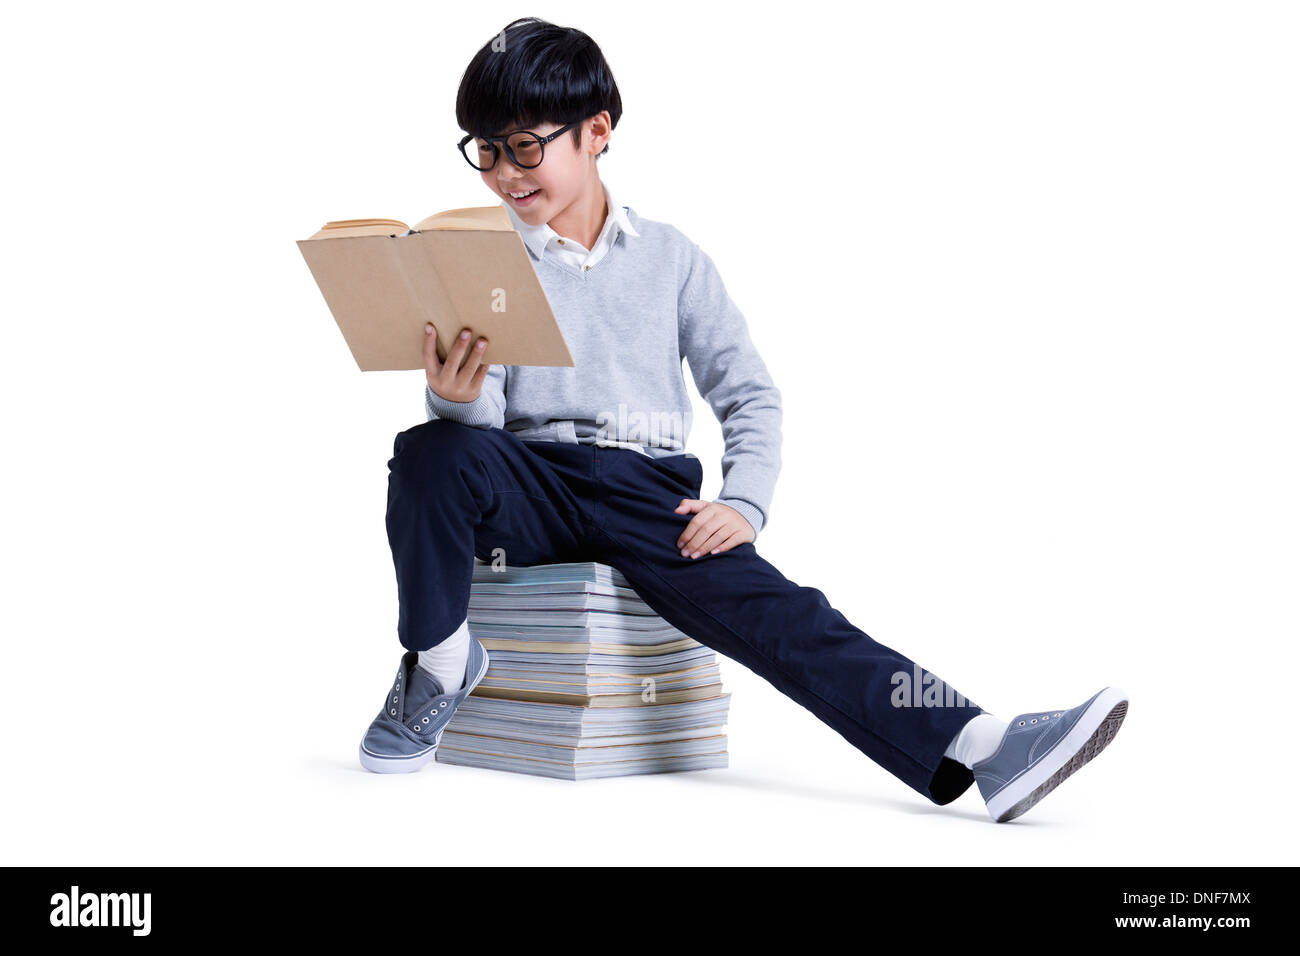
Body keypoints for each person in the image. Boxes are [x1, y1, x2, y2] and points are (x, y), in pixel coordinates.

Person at [357, 17, 1128, 823]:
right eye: (484, 149)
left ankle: (987, 742)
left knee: (794, 617)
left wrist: (744, 502)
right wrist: (454, 392)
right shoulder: (485, 257)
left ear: (596, 131)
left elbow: (749, 394)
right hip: (530, 485)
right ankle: (440, 664)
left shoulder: (672, 259)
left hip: (646, 492)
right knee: (429, 451)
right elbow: (476, 434)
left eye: (523, 147)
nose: (503, 174)